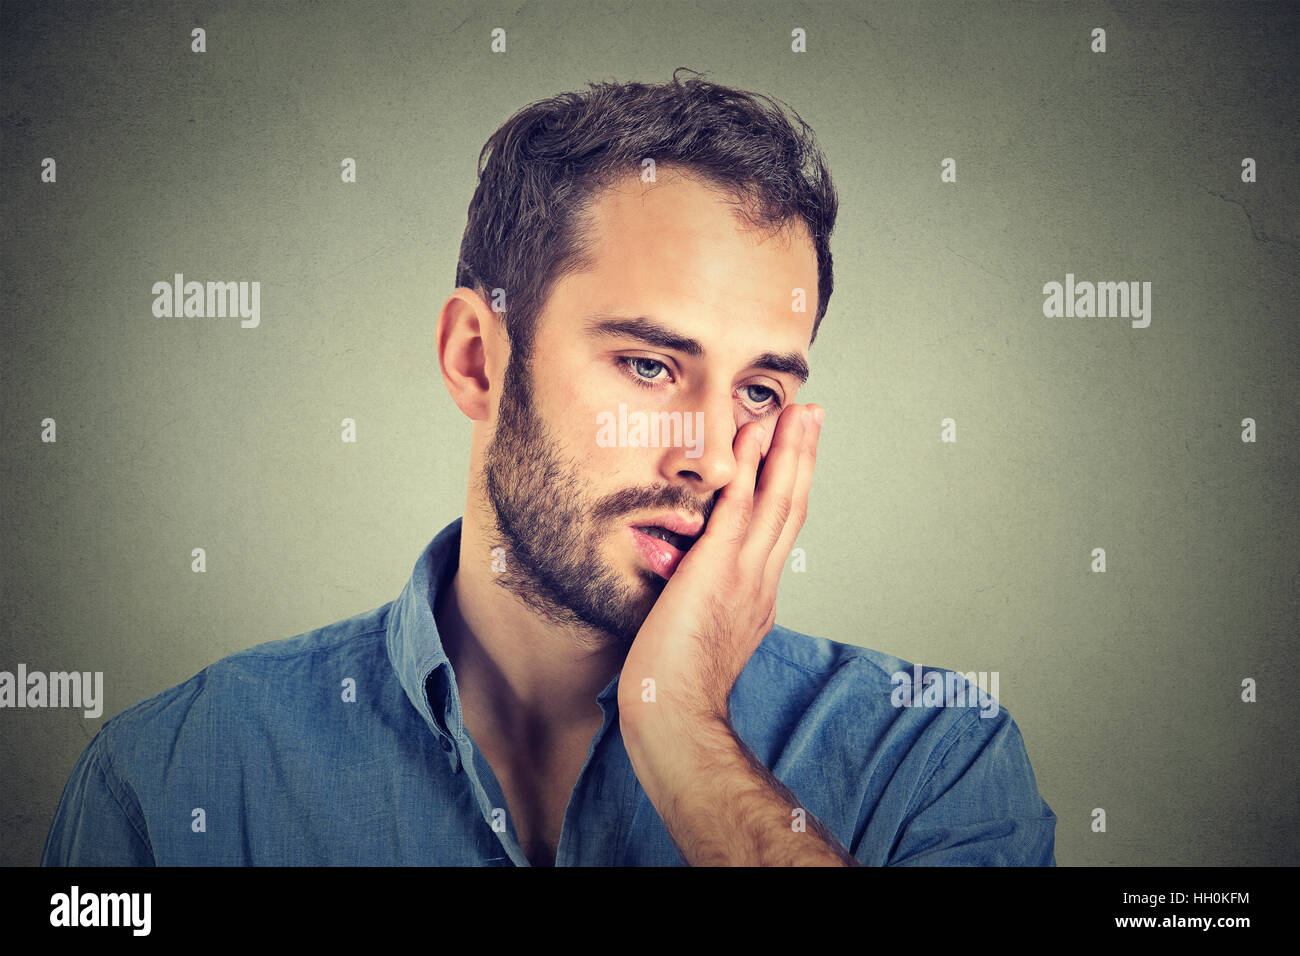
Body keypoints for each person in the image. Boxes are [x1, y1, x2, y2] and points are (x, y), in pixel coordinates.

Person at [43, 70, 1056, 867]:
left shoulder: (925, 759)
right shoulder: (174, 781)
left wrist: (685, 736)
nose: (706, 454)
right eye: (651, 364)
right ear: (476, 357)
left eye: (758, 390)